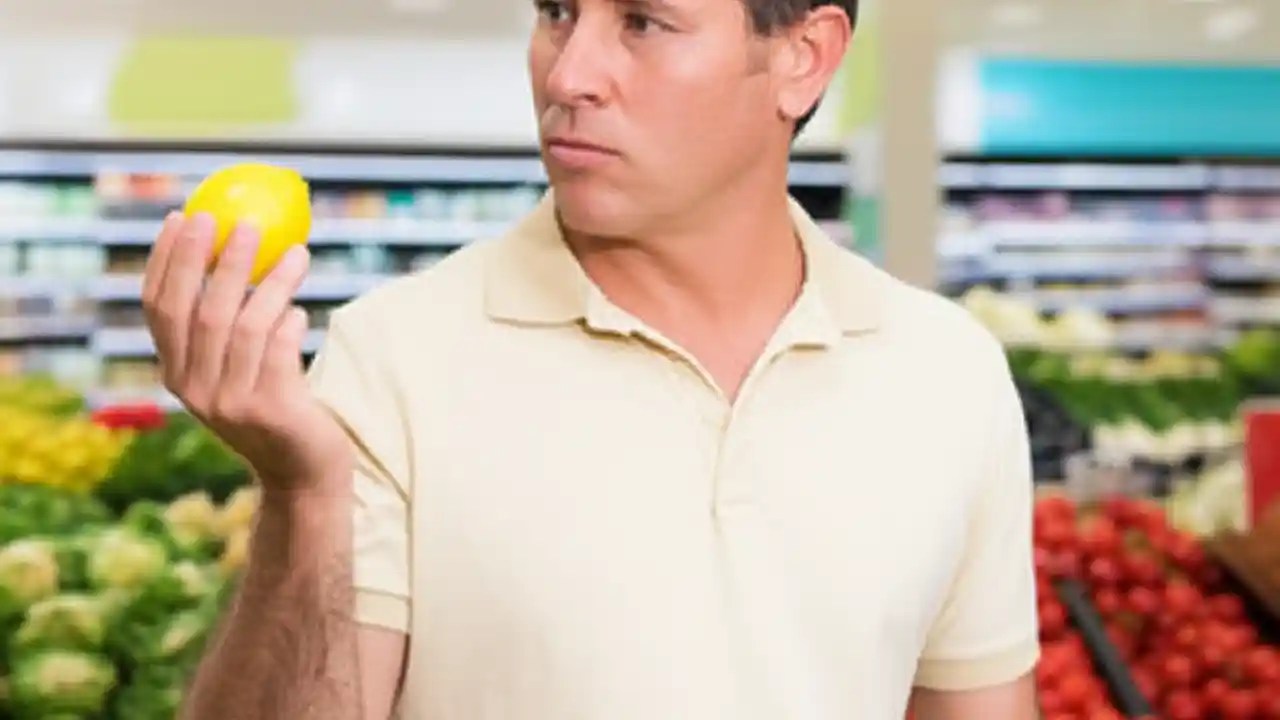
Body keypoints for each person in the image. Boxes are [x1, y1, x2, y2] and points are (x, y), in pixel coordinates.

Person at [147, 0, 1040, 718]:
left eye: (643, 23)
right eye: (557, 12)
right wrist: (302, 500)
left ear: (803, 56)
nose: (567, 74)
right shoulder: (392, 357)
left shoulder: (946, 372)